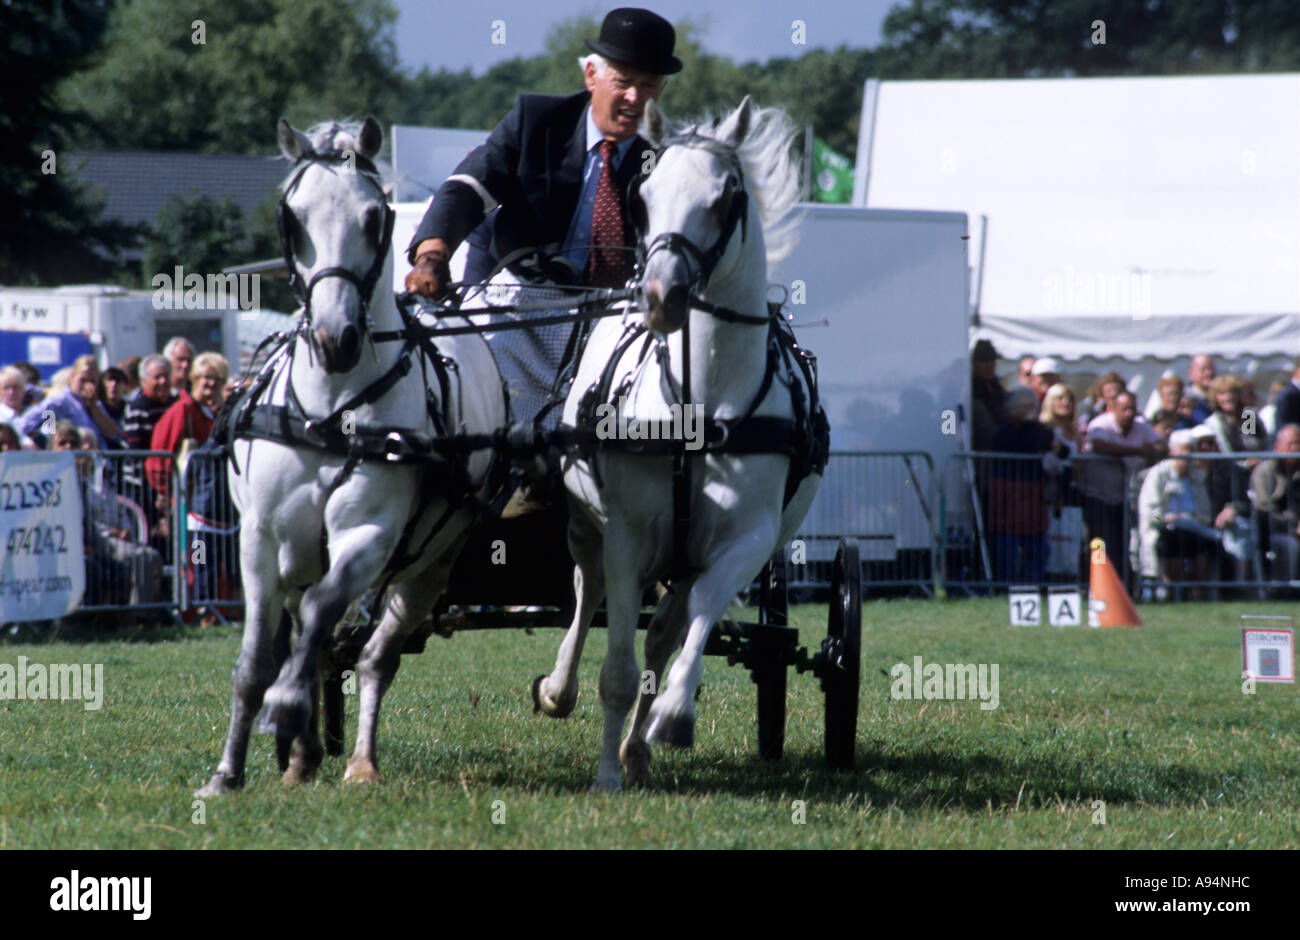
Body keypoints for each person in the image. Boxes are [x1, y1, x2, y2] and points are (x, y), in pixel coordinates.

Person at [404, 7, 681, 433]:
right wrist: (432, 254)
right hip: (519, 304)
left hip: (612, 318)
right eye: (623, 82)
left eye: (648, 86)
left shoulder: (666, 158)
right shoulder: (537, 122)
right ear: (591, 76)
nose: (634, 99)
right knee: (474, 412)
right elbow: (468, 186)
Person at [149, 353, 234, 621]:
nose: (210, 384)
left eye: (217, 380)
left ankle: (221, 611)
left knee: (221, 562)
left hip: (221, 504)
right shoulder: (181, 411)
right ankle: (197, 612)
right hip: (190, 504)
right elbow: (159, 457)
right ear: (194, 379)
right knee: (197, 561)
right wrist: (165, 493)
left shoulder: (221, 414)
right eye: (206, 378)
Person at [1077, 391, 1166, 586]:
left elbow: (1160, 446)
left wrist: (1148, 451)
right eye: (1124, 409)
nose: (1128, 414)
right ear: (1113, 408)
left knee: (1121, 544)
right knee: (1099, 543)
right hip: (1096, 494)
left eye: (1132, 409)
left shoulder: (1140, 426)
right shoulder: (1100, 424)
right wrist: (1137, 450)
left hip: (1121, 496)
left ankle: (1119, 588)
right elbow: (1100, 446)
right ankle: (1094, 585)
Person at [1138, 428, 1219, 600]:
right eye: (1181, 449)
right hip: (1165, 528)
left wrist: (1196, 520)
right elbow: (1149, 513)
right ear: (1172, 451)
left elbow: (1205, 512)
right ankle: (1175, 591)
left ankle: (1199, 594)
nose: (1185, 454)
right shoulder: (1158, 474)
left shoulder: (1197, 476)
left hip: (1193, 527)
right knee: (1173, 540)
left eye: (1189, 449)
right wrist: (1167, 518)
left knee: (1205, 542)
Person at [988, 387, 1055, 583]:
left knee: (1039, 551)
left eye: (1032, 406)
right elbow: (1029, 445)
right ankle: (1005, 588)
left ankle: (1031, 587)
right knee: (1006, 553)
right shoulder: (1004, 431)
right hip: (1007, 500)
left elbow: (1059, 448)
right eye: (1025, 406)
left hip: (1033, 500)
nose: (1030, 410)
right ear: (1013, 408)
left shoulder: (1038, 429)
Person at [19, 354, 122, 450]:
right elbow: (26, 424)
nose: (88, 386)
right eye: (83, 380)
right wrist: (46, 444)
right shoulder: (57, 402)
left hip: (96, 463)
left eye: (92, 381)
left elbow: (113, 434)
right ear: (73, 376)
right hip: (70, 462)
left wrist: (93, 406)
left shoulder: (96, 404)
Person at [1251, 422, 1300, 584]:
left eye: (1298, 443)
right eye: (1290, 444)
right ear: (1277, 446)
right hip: (1274, 528)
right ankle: (1284, 591)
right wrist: (1293, 525)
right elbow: (1264, 507)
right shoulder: (1265, 471)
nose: (1295, 449)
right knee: (1290, 545)